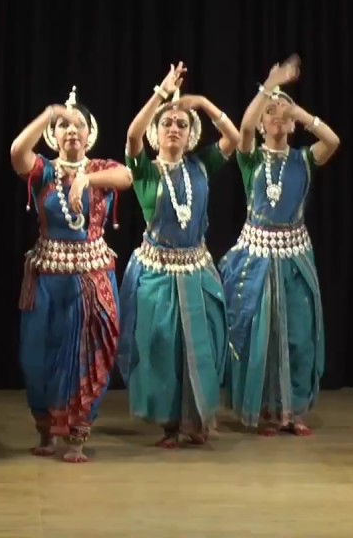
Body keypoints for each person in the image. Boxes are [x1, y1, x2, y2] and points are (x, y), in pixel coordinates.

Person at [117, 62, 242, 448]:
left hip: (197, 270)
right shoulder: (145, 171)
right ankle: (172, 424)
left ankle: (199, 420)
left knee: (202, 346)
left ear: (190, 135)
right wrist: (160, 95)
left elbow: (235, 138)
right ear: (157, 133)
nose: (174, 128)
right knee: (163, 348)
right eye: (167, 123)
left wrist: (201, 102)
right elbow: (131, 134)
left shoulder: (200, 165)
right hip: (156, 273)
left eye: (182, 124)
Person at [10, 86, 133, 463]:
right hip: (47, 279)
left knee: (85, 354)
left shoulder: (101, 169)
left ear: (89, 133)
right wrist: (48, 114)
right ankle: (47, 431)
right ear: (54, 134)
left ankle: (77, 435)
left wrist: (85, 181)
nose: (71, 131)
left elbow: (126, 176)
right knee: (38, 356)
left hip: (91, 280)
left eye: (78, 125)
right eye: (63, 126)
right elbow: (17, 153)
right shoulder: (44, 170)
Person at [219, 55, 340, 436]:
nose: (276, 118)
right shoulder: (250, 158)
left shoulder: (305, 159)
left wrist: (297, 110)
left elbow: (333, 141)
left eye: (281, 115)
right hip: (255, 258)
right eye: (270, 113)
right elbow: (245, 125)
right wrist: (270, 85)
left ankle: (294, 410)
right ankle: (266, 411)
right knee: (260, 336)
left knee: (298, 334)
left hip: (295, 258)